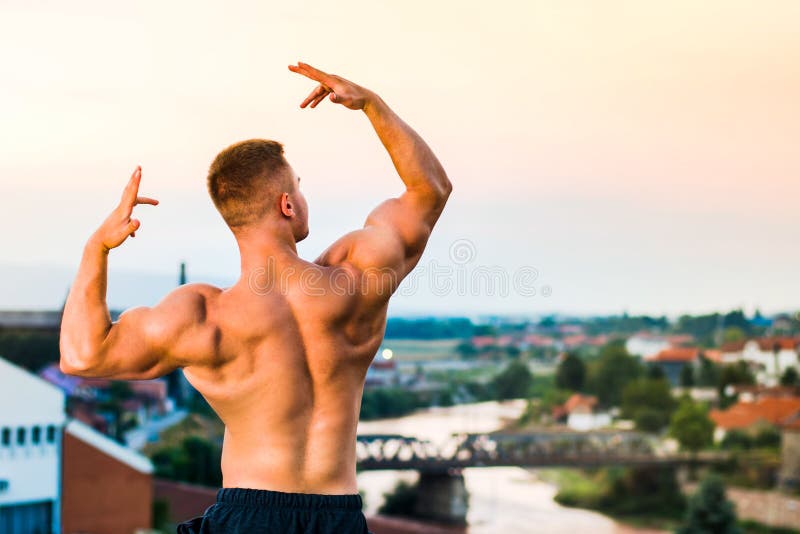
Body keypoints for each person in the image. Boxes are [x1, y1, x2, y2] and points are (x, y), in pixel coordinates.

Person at [59, 61, 452, 533]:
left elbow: (82, 355)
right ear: (286, 204)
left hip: (248, 516)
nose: (303, 200)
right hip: (339, 518)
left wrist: (96, 248)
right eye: (299, 191)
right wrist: (371, 104)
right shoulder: (356, 278)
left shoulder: (202, 317)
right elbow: (429, 190)